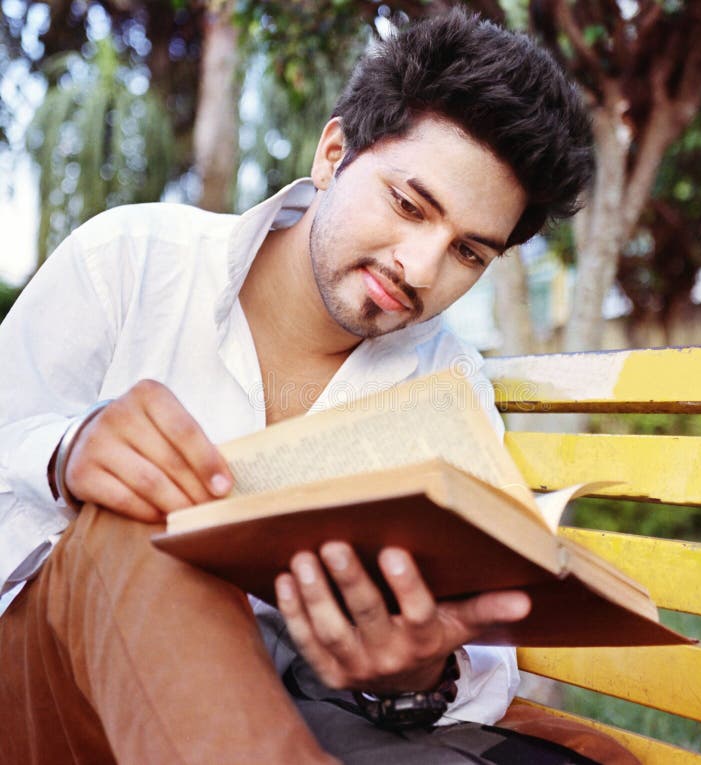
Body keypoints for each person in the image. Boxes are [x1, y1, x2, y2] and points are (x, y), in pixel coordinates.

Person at [0, 9, 611, 765]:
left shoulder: (444, 382)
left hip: (280, 711)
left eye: (467, 252)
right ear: (333, 153)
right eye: (408, 205)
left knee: (581, 751)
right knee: (138, 522)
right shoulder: (130, 262)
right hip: (51, 693)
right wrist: (65, 452)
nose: (419, 268)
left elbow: (482, 673)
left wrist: (411, 672)